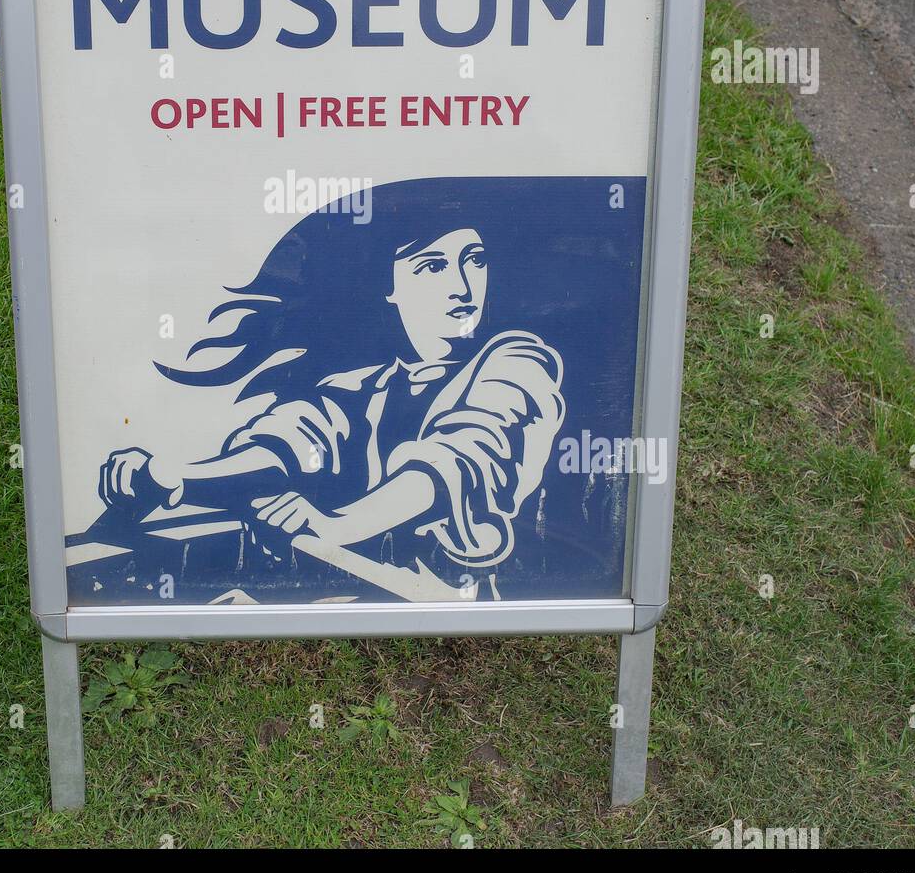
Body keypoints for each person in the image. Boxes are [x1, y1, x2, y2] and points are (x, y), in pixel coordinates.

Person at [97, 180, 566, 601]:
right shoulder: (365, 386)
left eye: (474, 260)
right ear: (390, 286)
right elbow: (288, 444)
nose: (463, 286)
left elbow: (457, 457)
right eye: (432, 267)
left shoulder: (517, 362)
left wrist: (337, 526)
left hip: (452, 621)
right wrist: (177, 476)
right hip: (358, 606)